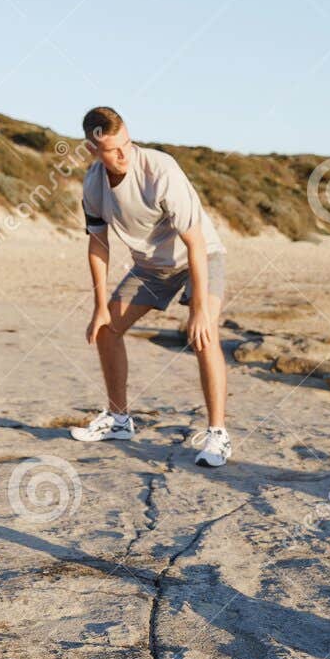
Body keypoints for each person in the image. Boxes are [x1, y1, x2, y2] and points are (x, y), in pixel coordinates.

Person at [70, 106, 233, 468]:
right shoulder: (93, 184)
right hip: (151, 267)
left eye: (126, 143)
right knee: (108, 329)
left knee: (204, 334)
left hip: (200, 256)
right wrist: (99, 305)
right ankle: (118, 419)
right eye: (113, 149)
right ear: (92, 150)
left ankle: (217, 435)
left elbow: (195, 243)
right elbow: (98, 245)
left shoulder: (160, 169)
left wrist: (201, 309)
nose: (123, 154)